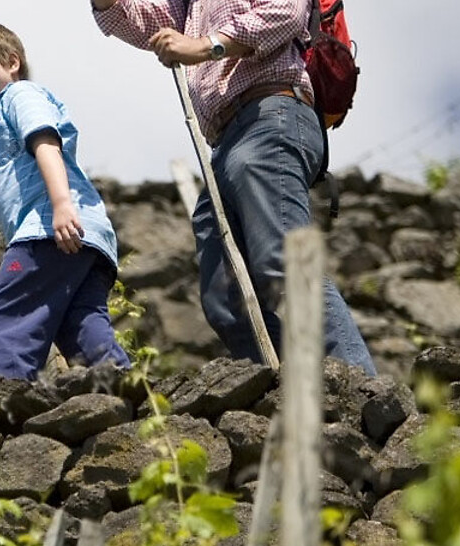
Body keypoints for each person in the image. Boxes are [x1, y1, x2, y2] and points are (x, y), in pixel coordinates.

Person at [90, 0, 377, 376]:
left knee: (281, 262)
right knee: (224, 297)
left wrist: (207, 45)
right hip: (226, 141)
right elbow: (138, 20)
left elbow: (284, 14)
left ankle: (360, 393)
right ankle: (294, 392)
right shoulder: (190, 4)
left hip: (271, 113)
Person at [0, 23, 131, 380]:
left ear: (12, 61)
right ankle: (127, 393)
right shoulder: (8, 106)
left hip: (50, 229)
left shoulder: (18, 96)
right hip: (87, 236)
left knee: (2, 323)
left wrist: (60, 204)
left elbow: (45, 142)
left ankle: (4, 406)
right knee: (82, 328)